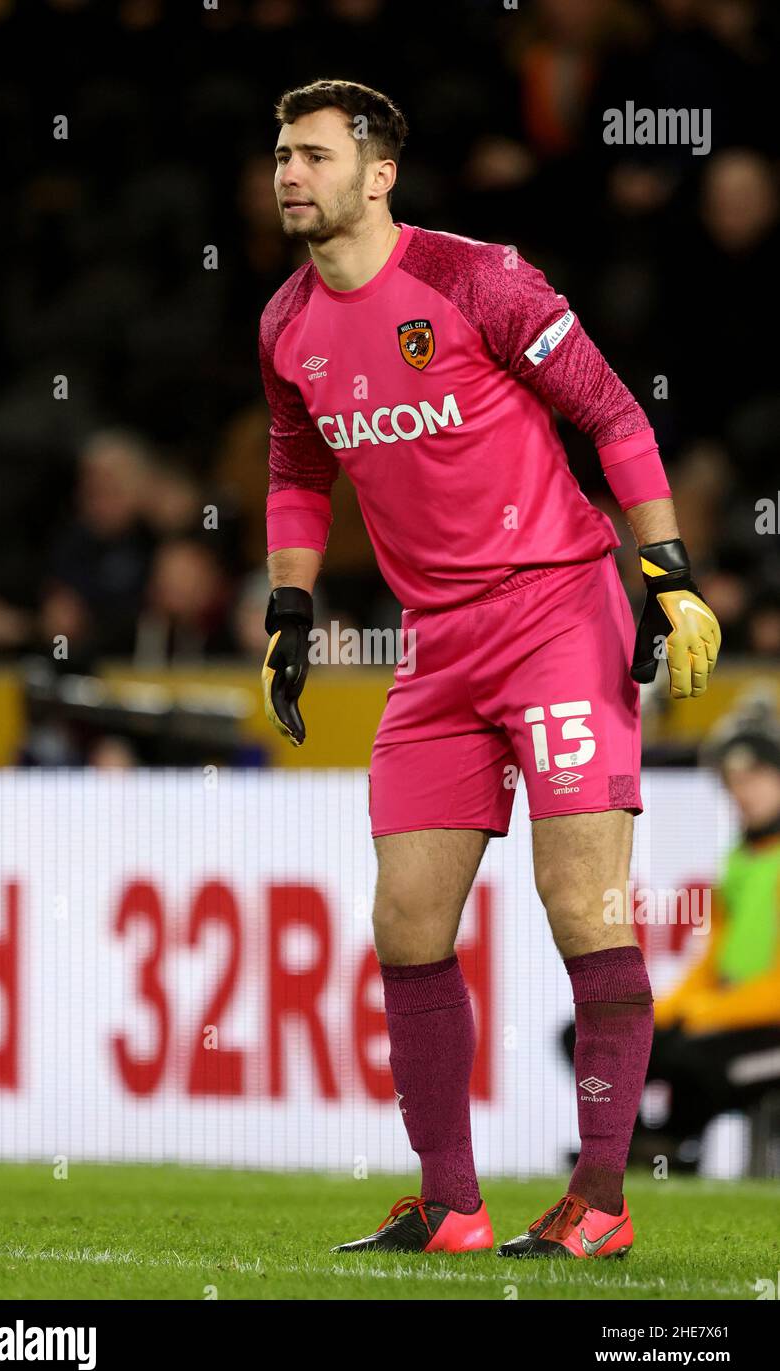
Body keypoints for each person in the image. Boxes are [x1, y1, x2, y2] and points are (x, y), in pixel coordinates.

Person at [258, 79, 721, 1260]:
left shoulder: (477, 279)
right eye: (280, 154)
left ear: (378, 175)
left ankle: (600, 1200)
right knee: (405, 922)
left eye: (312, 154)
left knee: (580, 904)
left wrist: (665, 570)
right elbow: (298, 470)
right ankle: (449, 1205)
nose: (288, 173)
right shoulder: (284, 325)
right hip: (434, 643)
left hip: (557, 611)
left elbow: (614, 414)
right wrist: (291, 607)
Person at [583, 724, 780, 1176]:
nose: (741, 794)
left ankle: (666, 1147)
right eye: (734, 784)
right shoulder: (741, 858)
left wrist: (704, 1013)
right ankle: (648, 1148)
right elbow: (712, 959)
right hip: (737, 1013)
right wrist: (669, 1010)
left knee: (695, 1060)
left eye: (754, 780)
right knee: (615, 1036)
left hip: (763, 1023)